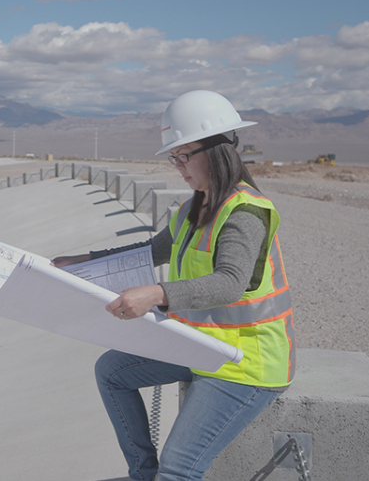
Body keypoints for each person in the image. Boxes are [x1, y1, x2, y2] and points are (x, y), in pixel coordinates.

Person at [52, 90, 295, 480]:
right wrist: (85, 260)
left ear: (217, 151)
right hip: (203, 345)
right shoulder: (193, 209)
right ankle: (142, 474)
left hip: (246, 364)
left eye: (184, 156)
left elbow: (230, 283)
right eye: (174, 157)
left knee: (179, 467)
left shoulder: (246, 212)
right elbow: (152, 250)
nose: (179, 167)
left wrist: (157, 294)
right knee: (112, 371)